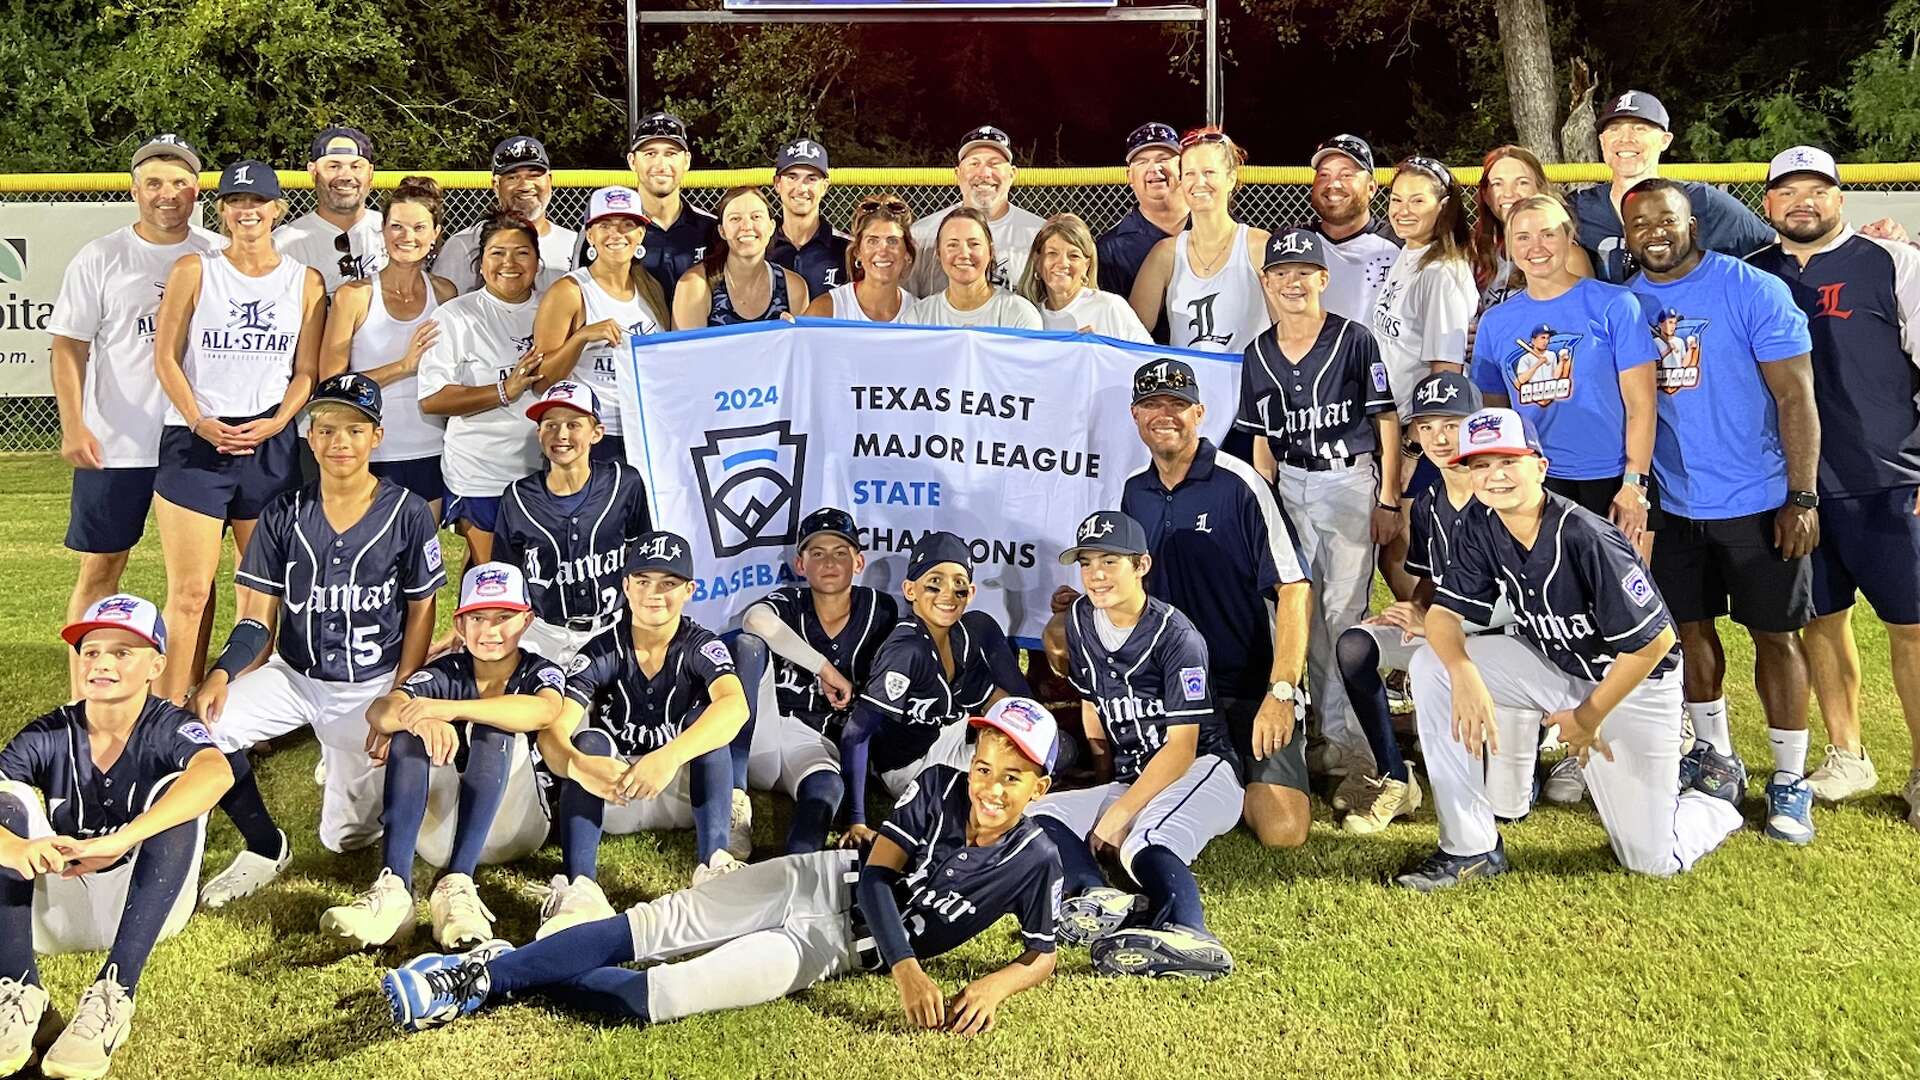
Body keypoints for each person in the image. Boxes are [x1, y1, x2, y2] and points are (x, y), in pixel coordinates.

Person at [381, 699, 1061, 1036]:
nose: (990, 787)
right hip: (820, 879)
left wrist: (999, 985)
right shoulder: (941, 787)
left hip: (833, 950)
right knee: (651, 925)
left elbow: (1042, 953)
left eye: (1012, 777)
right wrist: (910, 970)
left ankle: (521, 971)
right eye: (984, 766)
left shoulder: (1038, 857)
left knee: (671, 995)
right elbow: (880, 878)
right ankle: (477, 978)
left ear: (1042, 788)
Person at [1397, 407, 1744, 890]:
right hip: (1559, 670)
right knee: (1432, 663)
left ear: (1539, 466)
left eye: (1507, 461)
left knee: (1649, 858)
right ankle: (1469, 847)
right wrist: (1463, 672)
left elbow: (1657, 643)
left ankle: (1716, 797)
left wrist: (1587, 717)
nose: (1494, 475)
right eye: (1480, 464)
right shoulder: (1481, 523)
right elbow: (1442, 615)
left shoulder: (1587, 536)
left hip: (1634, 686)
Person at [189, 375, 445, 906]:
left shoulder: (409, 511)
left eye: (354, 430)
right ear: (310, 435)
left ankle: (347, 763)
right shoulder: (284, 512)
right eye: (327, 429)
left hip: (370, 686)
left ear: (376, 436)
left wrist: (400, 693)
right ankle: (265, 845)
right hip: (296, 674)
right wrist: (221, 673)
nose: (339, 442)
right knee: (205, 728)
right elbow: (258, 617)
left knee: (345, 838)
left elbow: (422, 612)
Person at [1623, 178, 1822, 845]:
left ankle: (1790, 777)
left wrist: (1801, 496)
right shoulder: (1625, 303)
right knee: (1688, 632)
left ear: (1693, 223)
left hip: (1757, 497)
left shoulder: (1750, 289)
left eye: (1667, 219)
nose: (1655, 231)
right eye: (1640, 222)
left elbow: (1796, 399)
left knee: (1776, 637)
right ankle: (1716, 756)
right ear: (1626, 235)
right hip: (1673, 505)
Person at [1049, 359, 1313, 848]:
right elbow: (1126, 581)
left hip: (1244, 684)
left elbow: (1294, 588)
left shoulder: (1241, 483)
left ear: (1200, 413)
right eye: (1152, 404)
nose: (1164, 414)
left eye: (1178, 404)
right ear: (1136, 416)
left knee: (1283, 830)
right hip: (1167, 685)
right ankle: (1199, 777)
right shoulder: (1134, 491)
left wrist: (1280, 692)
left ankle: (1242, 765)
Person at [1748, 146, 1920, 823]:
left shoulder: (1894, 262)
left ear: (1841, 199)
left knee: (1911, 627)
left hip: (1889, 479)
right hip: (1798, 487)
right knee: (1822, 621)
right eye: (1786, 191)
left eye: (1815, 189)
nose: (1801, 202)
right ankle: (1848, 752)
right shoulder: (1754, 274)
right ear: (1766, 205)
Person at [0, 595, 232, 1079]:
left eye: (122, 652)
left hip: (148, 902)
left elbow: (217, 774)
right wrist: (18, 847)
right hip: (58, 906)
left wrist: (123, 838)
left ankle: (114, 994)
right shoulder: (48, 732)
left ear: (156, 665)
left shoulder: (170, 726)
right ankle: (18, 990)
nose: (102, 662)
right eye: (91, 651)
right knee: (9, 805)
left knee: (177, 796)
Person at [49, 134, 224, 698]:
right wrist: (73, 424)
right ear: (134, 189)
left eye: (180, 183)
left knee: (197, 582)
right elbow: (68, 346)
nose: (167, 194)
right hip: (117, 441)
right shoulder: (102, 255)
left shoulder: (217, 252)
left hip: (192, 440)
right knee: (101, 570)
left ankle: (184, 686)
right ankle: (84, 695)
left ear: (198, 190)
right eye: (154, 183)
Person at [150, 160, 326, 702]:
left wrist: (278, 421)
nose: (246, 211)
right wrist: (201, 422)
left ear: (278, 209)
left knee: (259, 590)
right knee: (190, 591)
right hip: (196, 441)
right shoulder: (194, 269)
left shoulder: (305, 281)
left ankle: (243, 705)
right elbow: (165, 358)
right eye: (234, 202)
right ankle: (169, 705)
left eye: (257, 202)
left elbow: (307, 371)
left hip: (267, 441)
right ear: (221, 210)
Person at [1334, 373, 1540, 833]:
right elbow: (1430, 578)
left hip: (1508, 647)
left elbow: (1526, 597)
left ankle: (1532, 740)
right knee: (1356, 645)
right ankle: (1394, 777)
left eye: (1451, 423)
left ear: (1474, 424)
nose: (1439, 438)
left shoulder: (1502, 492)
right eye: (1426, 427)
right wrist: (1411, 610)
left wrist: (1436, 620)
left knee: (1507, 808)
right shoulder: (1428, 502)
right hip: (1450, 634)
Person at [1036, 511, 1239, 979]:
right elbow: (1092, 705)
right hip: (1137, 772)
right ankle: (1094, 898)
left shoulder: (1178, 636)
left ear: (1141, 565)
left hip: (1201, 769)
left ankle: (1191, 932)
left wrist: (1117, 813)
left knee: (1143, 839)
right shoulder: (1082, 619)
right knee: (1039, 816)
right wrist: (1106, 787)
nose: (1097, 574)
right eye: (1087, 563)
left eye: (1111, 561)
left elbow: (1182, 748)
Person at [321, 562, 564, 951]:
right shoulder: (447, 670)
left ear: (527, 621)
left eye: (504, 617)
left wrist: (449, 711)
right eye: (478, 618)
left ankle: (459, 882)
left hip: (517, 829)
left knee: (494, 725)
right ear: (460, 624)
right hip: (440, 836)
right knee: (408, 731)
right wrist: (417, 721)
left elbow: (543, 711)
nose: (490, 631)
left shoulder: (540, 669)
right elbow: (381, 711)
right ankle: (395, 889)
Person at [1235, 229, 1402, 785]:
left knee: (1342, 616)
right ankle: (1313, 733)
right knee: (1295, 611)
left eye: (1303, 272)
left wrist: (1388, 496)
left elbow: (1385, 420)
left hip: (1348, 481)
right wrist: (1263, 500)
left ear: (1323, 280)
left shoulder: (1354, 339)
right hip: (1291, 485)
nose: (1292, 282)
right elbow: (1260, 437)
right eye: (1280, 273)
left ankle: (1349, 745)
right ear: (1267, 282)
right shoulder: (1258, 351)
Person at [533, 530, 760, 937]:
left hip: (679, 792)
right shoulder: (601, 650)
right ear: (625, 587)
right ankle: (580, 885)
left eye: (669, 583)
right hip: (614, 794)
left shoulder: (700, 645)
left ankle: (714, 864)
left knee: (708, 725)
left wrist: (669, 756)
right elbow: (553, 733)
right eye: (643, 582)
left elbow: (735, 706)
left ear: (689, 589)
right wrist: (578, 765)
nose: (655, 594)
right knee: (588, 744)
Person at [1470, 195, 1657, 538]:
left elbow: (1641, 404)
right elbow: (1496, 410)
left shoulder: (1613, 303)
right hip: (1536, 477)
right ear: (1509, 246)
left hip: (1608, 476)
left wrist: (1635, 482)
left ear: (1570, 237)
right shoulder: (1495, 322)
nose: (1536, 246)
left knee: (1615, 586)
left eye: (1548, 234)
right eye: (1522, 237)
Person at [839, 532, 1030, 847]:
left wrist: (1026, 741)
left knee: (1055, 750)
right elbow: (855, 734)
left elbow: (1001, 702)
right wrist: (857, 819)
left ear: (970, 592)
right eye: (934, 583)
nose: (947, 594)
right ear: (910, 590)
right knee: (994, 799)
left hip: (948, 739)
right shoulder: (907, 649)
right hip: (909, 765)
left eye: (958, 585)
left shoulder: (960, 638)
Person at [737, 508, 900, 854]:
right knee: (747, 645)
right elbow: (755, 620)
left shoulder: (879, 608)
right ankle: (734, 798)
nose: (829, 562)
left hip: (815, 739)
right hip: (762, 729)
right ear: (801, 564)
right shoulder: (790, 601)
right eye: (818, 553)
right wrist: (824, 668)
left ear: (859, 563)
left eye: (841, 553)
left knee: (825, 790)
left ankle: (797, 866)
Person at [320, 175, 459, 516]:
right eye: (396, 226)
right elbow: (330, 383)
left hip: (430, 447)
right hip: (370, 451)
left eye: (418, 227)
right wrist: (402, 367)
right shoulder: (354, 296)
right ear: (382, 231)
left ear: (435, 234)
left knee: (421, 558)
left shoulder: (445, 293)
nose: (407, 237)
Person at [492, 382, 652, 670]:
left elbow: (643, 557)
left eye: (574, 425)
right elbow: (507, 574)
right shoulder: (517, 498)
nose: (561, 435)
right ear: (538, 433)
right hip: (544, 635)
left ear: (597, 433)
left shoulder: (624, 483)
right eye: (550, 425)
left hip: (612, 630)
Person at [418, 212, 548, 569]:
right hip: (482, 471)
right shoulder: (455, 315)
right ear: (480, 262)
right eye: (497, 253)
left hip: (544, 468)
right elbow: (433, 398)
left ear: (538, 261)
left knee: (535, 581)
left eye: (522, 253)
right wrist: (506, 389)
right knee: (491, 579)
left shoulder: (554, 308)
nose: (509, 263)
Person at [1569, 90, 1774, 283]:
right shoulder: (1576, 208)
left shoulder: (1704, 201)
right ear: (1602, 141)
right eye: (1614, 129)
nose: (1625, 138)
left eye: (1640, 128)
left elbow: (1774, 247)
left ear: (1665, 140)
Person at [533, 186, 668, 464]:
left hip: (646, 431)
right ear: (590, 235)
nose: (616, 233)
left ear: (640, 234)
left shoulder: (651, 287)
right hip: (594, 437)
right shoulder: (571, 291)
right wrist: (581, 337)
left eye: (627, 225)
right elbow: (541, 381)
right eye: (604, 225)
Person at [1129, 128, 1272, 355]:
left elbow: (1289, 328)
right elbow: (1129, 332)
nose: (1199, 182)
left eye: (1209, 172)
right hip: (1188, 387)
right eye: (1189, 174)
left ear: (1231, 177)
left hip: (1249, 385)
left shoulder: (1258, 246)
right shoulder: (1165, 254)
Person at [1371, 156, 1477, 415]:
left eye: (1417, 201)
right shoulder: (1409, 252)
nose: (1402, 210)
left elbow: (1446, 371)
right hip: (1391, 420)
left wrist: (1414, 443)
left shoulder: (1441, 273)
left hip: (1418, 427)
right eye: (1396, 199)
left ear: (1443, 207)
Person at [906, 126, 1046, 296]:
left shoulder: (1039, 234)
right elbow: (907, 301)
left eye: (994, 164)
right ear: (958, 174)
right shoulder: (923, 233)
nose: (984, 173)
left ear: (1012, 174)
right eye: (974, 163)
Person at [436, 136, 578, 293]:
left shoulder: (575, 244)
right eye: (513, 177)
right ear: (496, 186)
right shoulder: (463, 244)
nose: (525, 185)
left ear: (550, 181)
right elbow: (445, 308)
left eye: (534, 175)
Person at [1466, 146, 1593, 315]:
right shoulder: (1479, 253)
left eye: (1522, 182)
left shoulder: (1566, 256)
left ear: (1539, 189)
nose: (1509, 193)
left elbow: (1580, 325)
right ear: (1486, 195)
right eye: (1497, 184)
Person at [1297, 134, 1402, 325]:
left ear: (1371, 188)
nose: (1333, 184)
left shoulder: (1401, 245)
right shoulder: (1294, 242)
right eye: (1324, 175)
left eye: (1346, 175)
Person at [671, 187, 810, 329]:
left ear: (771, 227)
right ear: (722, 231)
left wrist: (791, 336)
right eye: (735, 219)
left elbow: (803, 348)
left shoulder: (792, 286)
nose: (747, 226)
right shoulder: (696, 285)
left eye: (756, 217)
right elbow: (687, 350)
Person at [1095, 122, 1189, 332]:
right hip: (1149, 360)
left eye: (1164, 159)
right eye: (1142, 161)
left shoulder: (1218, 228)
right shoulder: (1111, 249)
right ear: (1130, 177)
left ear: (1183, 168)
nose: (1154, 168)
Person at [274, 126, 386, 293]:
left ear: (370, 172)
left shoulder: (395, 232)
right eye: (333, 166)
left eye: (356, 167)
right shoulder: (283, 243)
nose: (346, 176)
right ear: (313, 171)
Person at [901, 209, 1044, 329]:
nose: (963, 254)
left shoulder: (1019, 313)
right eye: (952, 245)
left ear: (990, 251)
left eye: (974, 244)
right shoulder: (918, 317)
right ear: (938, 253)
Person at [1017, 213, 1150, 340]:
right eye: (1052, 253)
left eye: (1073, 256)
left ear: (1086, 265)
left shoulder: (1110, 307)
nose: (1063, 263)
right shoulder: (1027, 316)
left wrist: (1102, 349)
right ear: (1037, 261)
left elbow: (1149, 359)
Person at [630, 111, 716, 306]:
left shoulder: (711, 229)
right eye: (650, 153)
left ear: (686, 160)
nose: (661, 165)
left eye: (671, 153)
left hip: (699, 335)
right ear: (632, 161)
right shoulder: (612, 232)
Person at [800, 194, 917, 323]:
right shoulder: (828, 309)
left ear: (907, 253)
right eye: (872, 241)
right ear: (858, 252)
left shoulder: (919, 313)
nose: (883, 251)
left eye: (893, 241)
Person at [766, 138, 849, 298]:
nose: (802, 188)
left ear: (824, 186)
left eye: (811, 179)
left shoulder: (846, 250)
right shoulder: (760, 247)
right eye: (792, 177)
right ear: (777, 183)